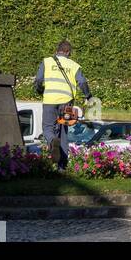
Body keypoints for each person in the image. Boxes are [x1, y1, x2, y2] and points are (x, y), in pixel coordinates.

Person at [34, 41, 92, 169]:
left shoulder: (47, 61)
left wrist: (39, 90)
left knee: (48, 128)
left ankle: (52, 141)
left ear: (57, 50)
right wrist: (88, 96)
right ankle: (62, 166)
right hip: (67, 101)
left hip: (49, 100)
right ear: (68, 52)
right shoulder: (74, 65)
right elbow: (82, 82)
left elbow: (38, 80)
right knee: (64, 131)